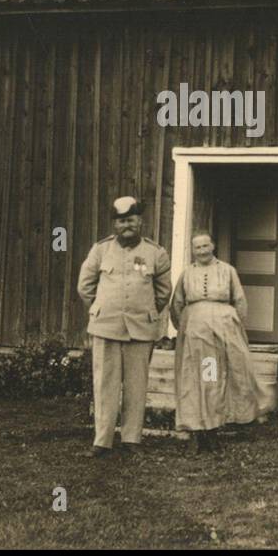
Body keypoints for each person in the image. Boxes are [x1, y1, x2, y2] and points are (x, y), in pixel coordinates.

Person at [77, 196, 171, 458]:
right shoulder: (100, 250)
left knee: (136, 385)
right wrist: (102, 308)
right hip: (106, 326)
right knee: (105, 384)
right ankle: (102, 441)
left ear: (140, 221)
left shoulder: (156, 253)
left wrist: (144, 311)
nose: (126, 225)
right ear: (114, 225)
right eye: (121, 221)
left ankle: (132, 439)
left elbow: (163, 292)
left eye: (131, 220)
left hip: (140, 329)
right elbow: (85, 286)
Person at [170, 232, 263, 453]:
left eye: (205, 245)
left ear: (213, 246)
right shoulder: (187, 274)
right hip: (194, 336)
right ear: (193, 250)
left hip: (221, 332)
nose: (202, 251)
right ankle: (195, 432)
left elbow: (239, 300)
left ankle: (212, 432)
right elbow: (177, 305)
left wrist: (233, 329)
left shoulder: (227, 271)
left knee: (212, 377)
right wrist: (186, 328)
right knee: (193, 380)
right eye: (197, 247)